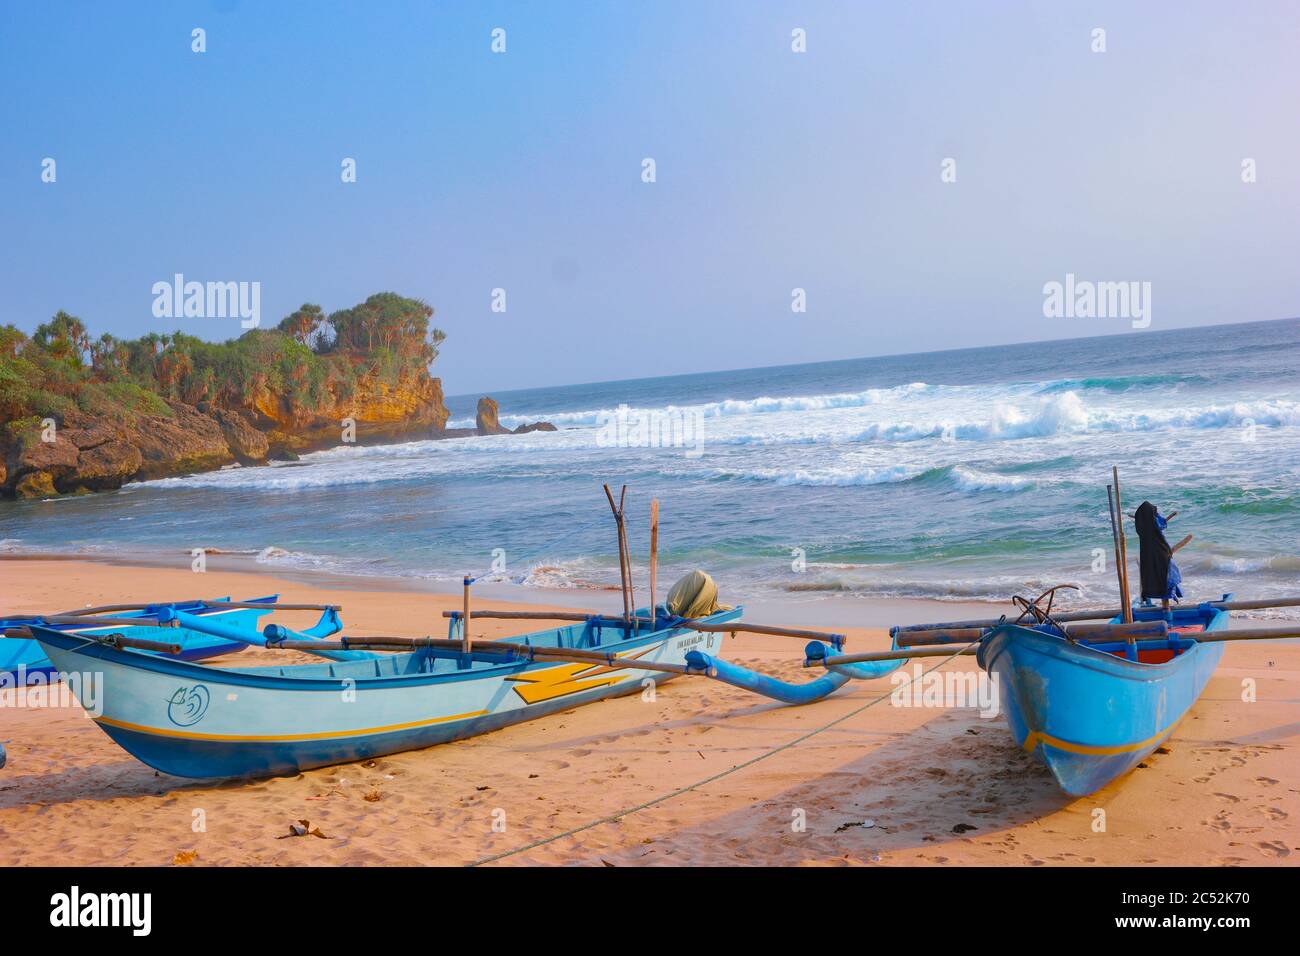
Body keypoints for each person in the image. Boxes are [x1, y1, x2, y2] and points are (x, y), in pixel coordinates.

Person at [1134, 500, 1183, 609]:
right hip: (1161, 551)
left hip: (1147, 554)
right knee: (1168, 573)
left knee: (1154, 575)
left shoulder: (1140, 524)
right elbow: (1162, 523)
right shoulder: (1155, 521)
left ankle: (1166, 598)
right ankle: (1169, 601)